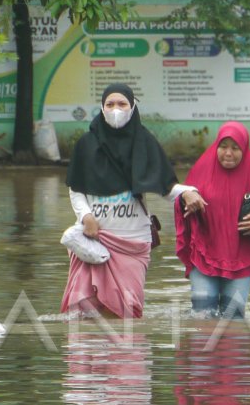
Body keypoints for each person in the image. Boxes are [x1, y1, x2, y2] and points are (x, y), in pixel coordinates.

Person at [61, 83, 206, 319]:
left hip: (133, 243)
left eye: (122, 104)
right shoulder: (86, 145)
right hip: (93, 239)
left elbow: (165, 187)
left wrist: (187, 192)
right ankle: (90, 355)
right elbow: (76, 189)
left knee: (126, 313)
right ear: (101, 107)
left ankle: (127, 356)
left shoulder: (145, 143)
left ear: (133, 107)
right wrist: (86, 217)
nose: (115, 109)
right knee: (86, 313)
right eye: (110, 104)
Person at [175, 121, 250, 318]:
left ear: (244, 148)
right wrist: (185, 196)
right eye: (223, 147)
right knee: (202, 317)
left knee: (233, 319)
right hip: (204, 253)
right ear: (216, 146)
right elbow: (181, 202)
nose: (228, 153)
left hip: (242, 257)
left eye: (235, 148)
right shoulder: (201, 169)